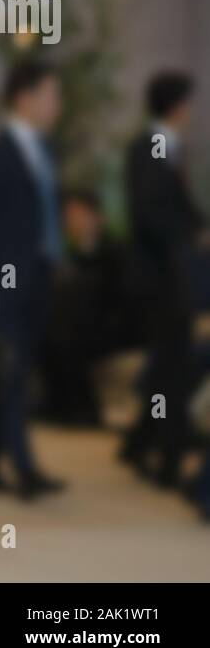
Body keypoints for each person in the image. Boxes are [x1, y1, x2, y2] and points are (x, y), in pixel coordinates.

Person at [0, 60, 67, 500]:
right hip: (3, 282)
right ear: (24, 97)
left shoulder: (46, 151)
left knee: (13, 369)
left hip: (38, 277)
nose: (57, 106)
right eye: (51, 95)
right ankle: (24, 469)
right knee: (10, 374)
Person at [119, 72, 205, 490]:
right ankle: (167, 457)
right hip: (161, 280)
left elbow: (174, 207)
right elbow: (151, 213)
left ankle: (140, 443)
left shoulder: (168, 147)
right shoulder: (152, 146)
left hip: (171, 278)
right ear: (176, 105)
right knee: (171, 370)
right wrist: (192, 235)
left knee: (165, 367)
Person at [38, 189, 132, 428]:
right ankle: (59, 406)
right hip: (83, 325)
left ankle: (86, 411)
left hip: (118, 326)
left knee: (70, 341)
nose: (72, 221)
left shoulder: (115, 250)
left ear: (96, 216)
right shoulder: (72, 253)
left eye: (78, 215)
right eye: (69, 216)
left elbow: (119, 299)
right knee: (50, 337)